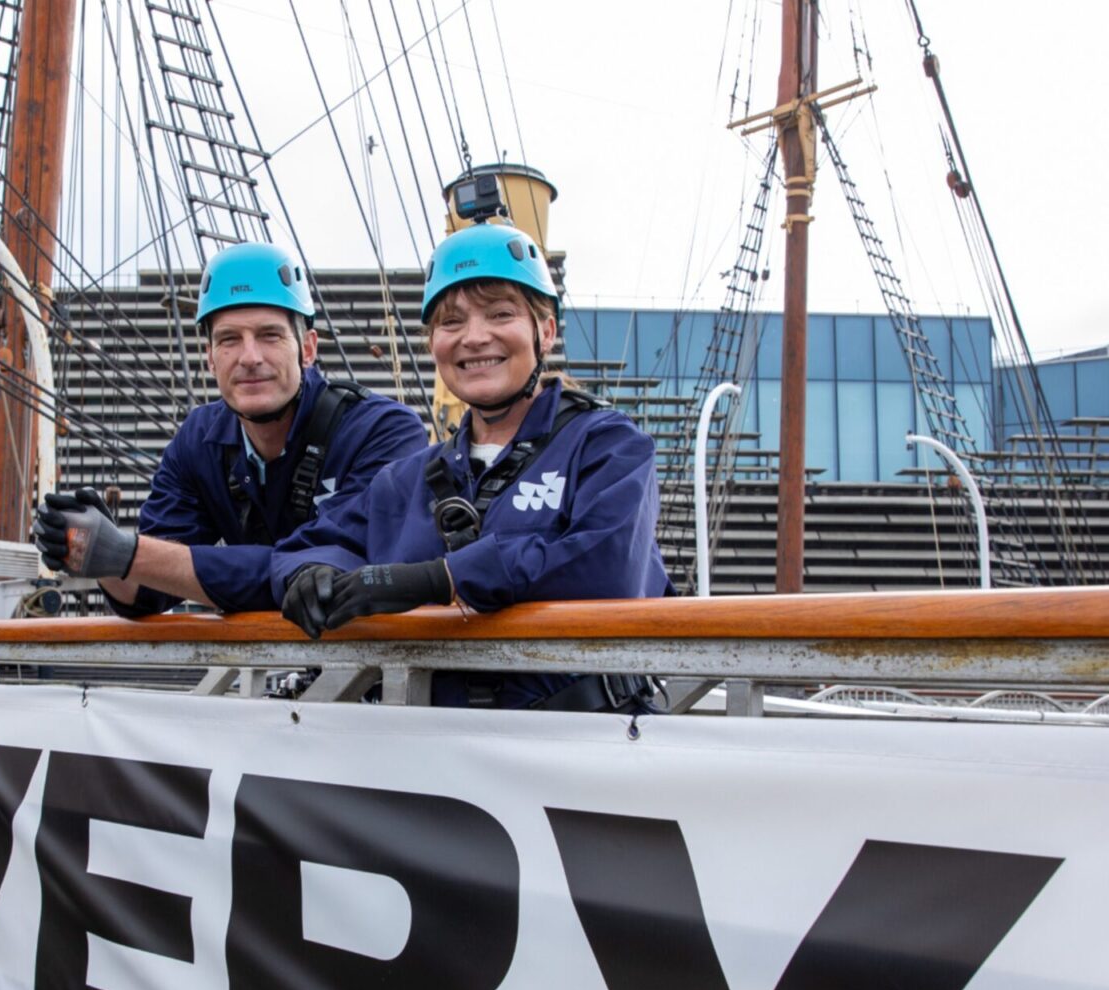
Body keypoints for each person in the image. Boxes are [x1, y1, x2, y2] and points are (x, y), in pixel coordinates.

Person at [270, 216, 671, 711]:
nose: (474, 337)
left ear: (545, 331)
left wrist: (442, 578)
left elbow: (609, 568)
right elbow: (308, 545)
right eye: (451, 322)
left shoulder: (607, 447)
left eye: (500, 314)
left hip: (586, 747)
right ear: (434, 344)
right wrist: (311, 573)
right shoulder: (406, 480)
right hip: (443, 762)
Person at [34, 242, 425, 616]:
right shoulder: (198, 441)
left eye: (270, 335)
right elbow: (149, 588)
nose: (250, 358)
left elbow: (332, 567)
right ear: (209, 357)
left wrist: (132, 554)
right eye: (229, 340)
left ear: (307, 348)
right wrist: (100, 555)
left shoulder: (382, 432)